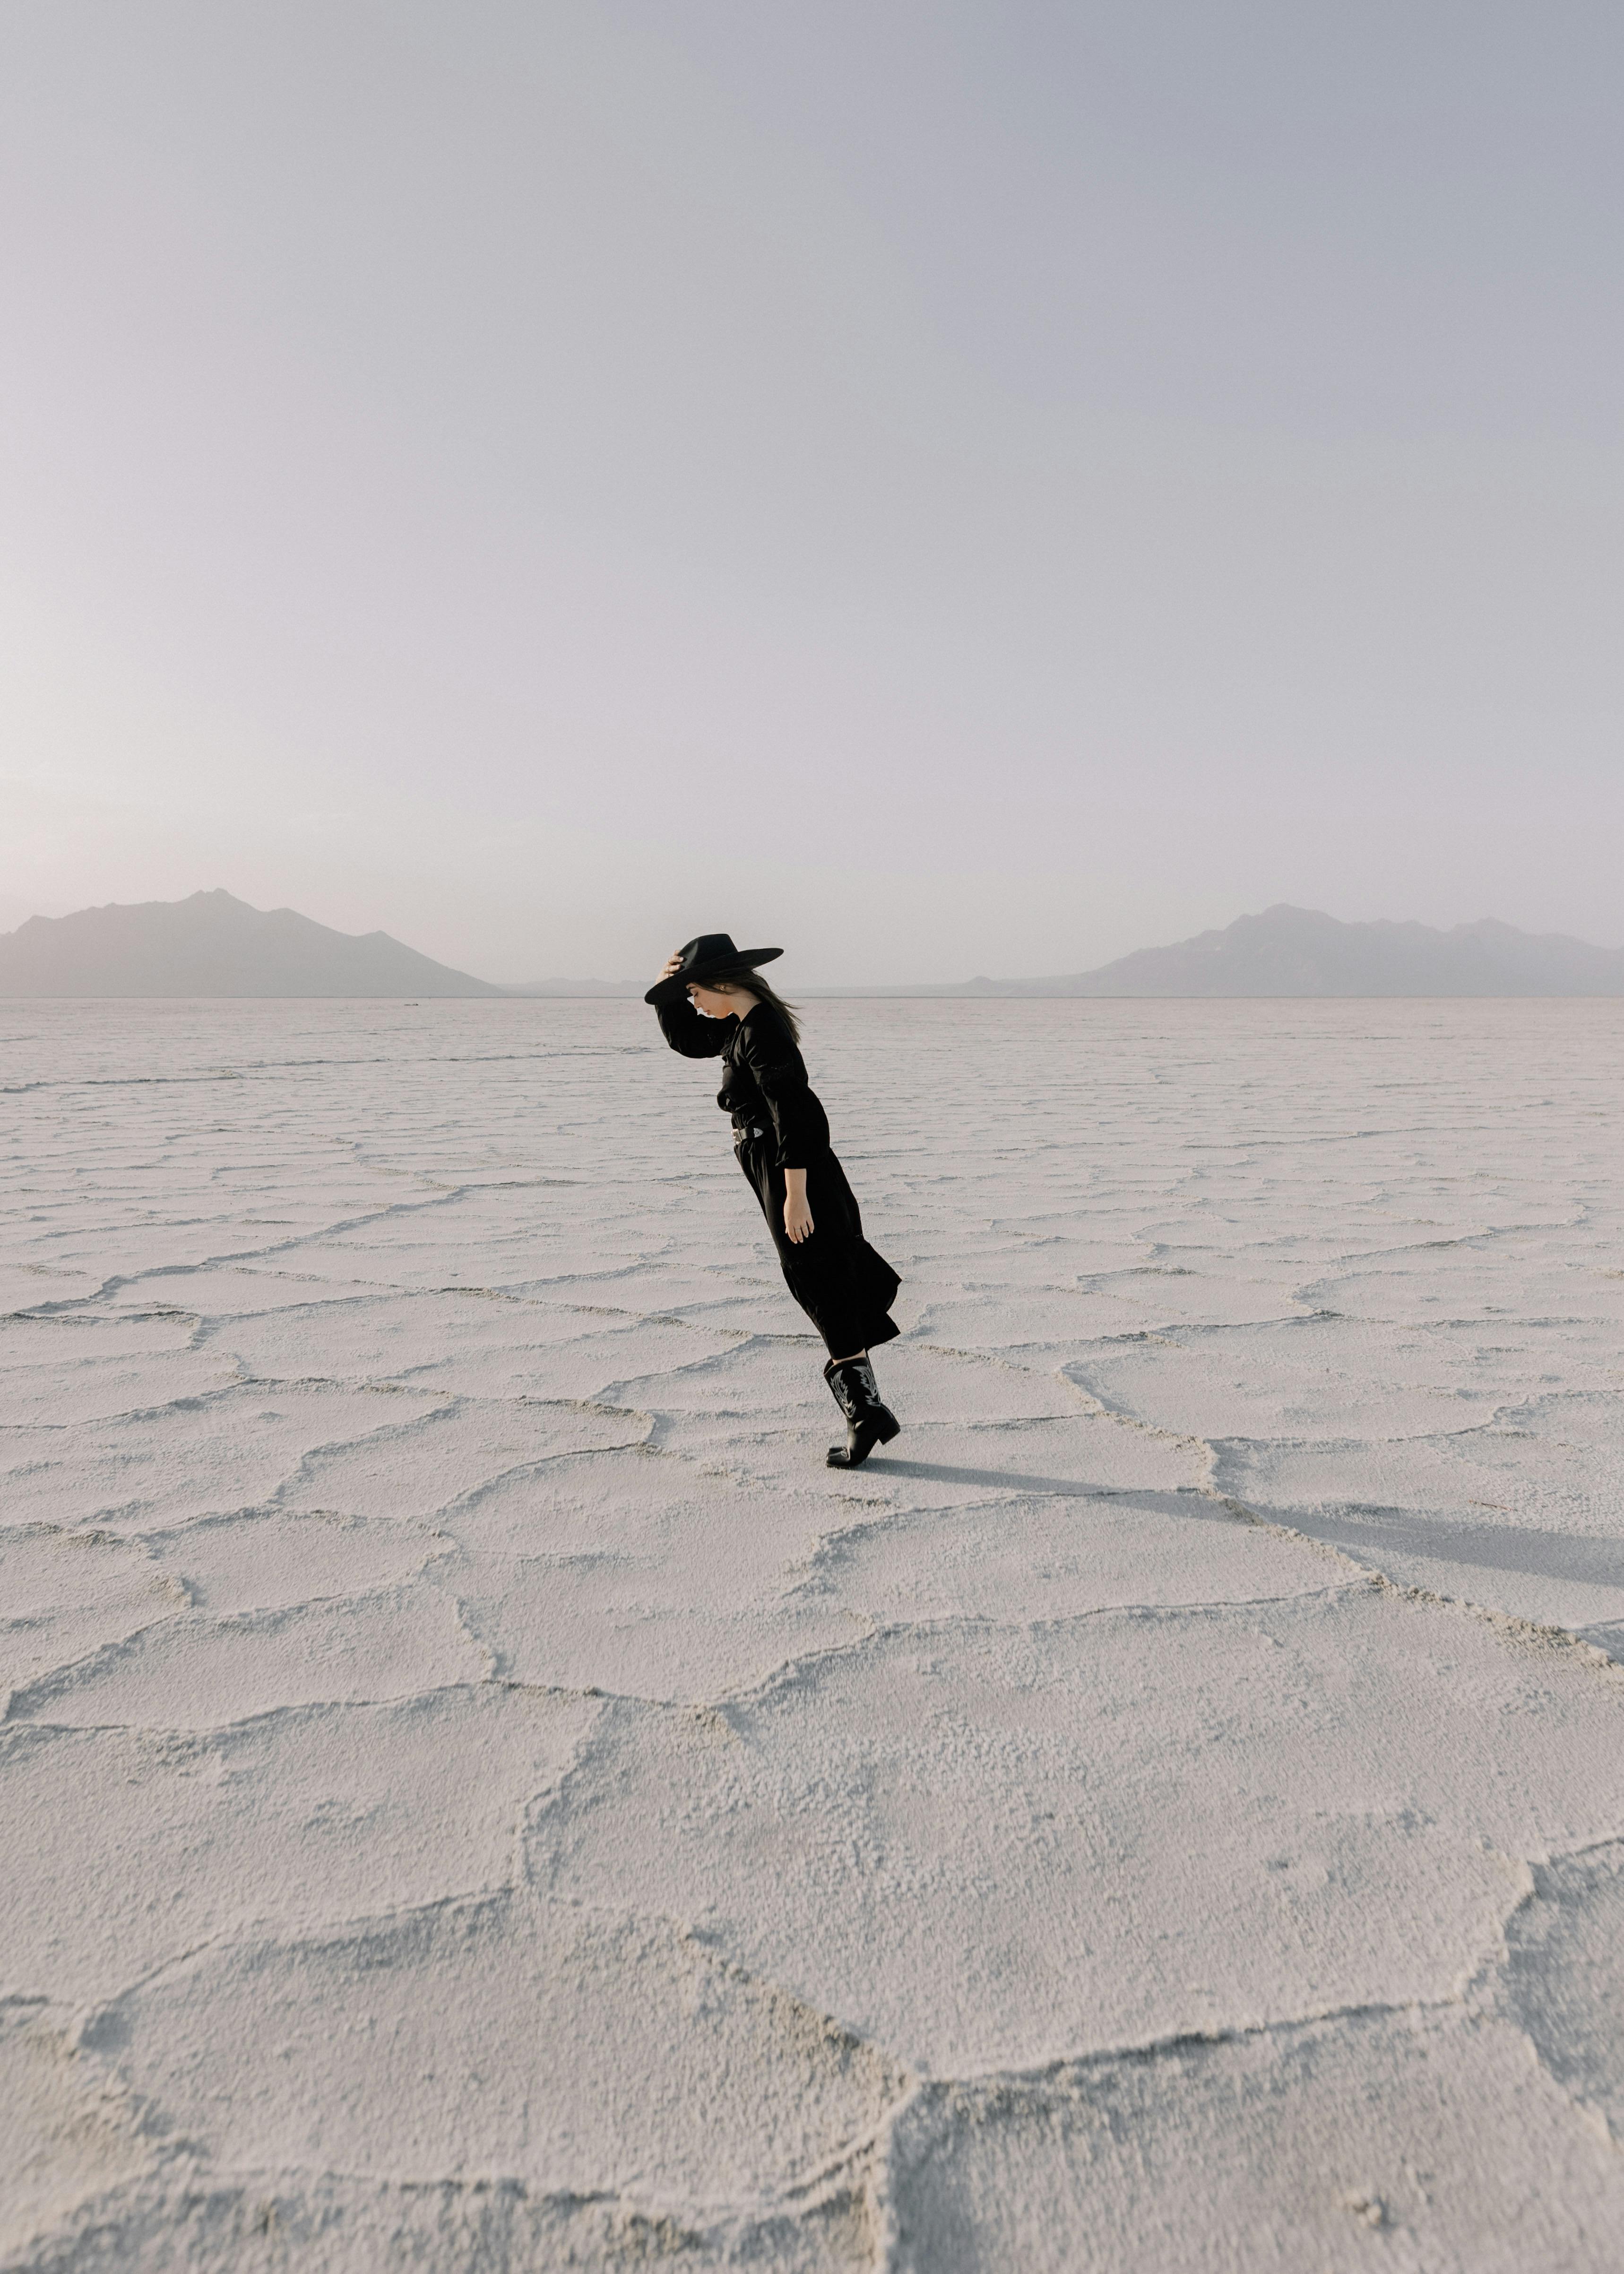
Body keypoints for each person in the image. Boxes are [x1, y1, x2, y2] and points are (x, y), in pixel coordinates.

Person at [647, 934, 902, 1467]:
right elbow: (690, 1040)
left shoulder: (762, 1030)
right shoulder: (742, 1027)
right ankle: (866, 1410)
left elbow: (798, 1114)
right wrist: (669, 990)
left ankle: (865, 1413)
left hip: (794, 1173)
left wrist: (794, 1195)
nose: (694, 1003)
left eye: (694, 992)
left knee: (819, 1279)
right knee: (819, 1280)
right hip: (780, 1170)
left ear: (722, 982)